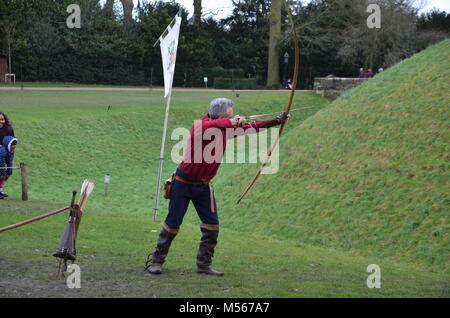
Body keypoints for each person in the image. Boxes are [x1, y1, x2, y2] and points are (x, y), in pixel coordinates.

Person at [145, 98, 290, 276]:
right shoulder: (200, 126)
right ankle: (156, 261)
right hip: (183, 184)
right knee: (172, 224)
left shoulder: (226, 130)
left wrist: (276, 121)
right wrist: (231, 122)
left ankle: (204, 265)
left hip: (204, 187)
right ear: (220, 116)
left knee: (212, 226)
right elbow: (209, 127)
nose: (233, 118)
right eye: (229, 115)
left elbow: (251, 127)